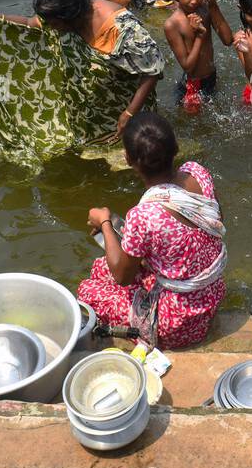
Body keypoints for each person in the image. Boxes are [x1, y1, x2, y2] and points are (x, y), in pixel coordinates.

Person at [80, 112, 227, 349]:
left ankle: (150, 334)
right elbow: (217, 222)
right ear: (176, 148)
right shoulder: (198, 173)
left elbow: (122, 278)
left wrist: (105, 223)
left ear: (128, 159)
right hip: (213, 293)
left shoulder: (143, 215)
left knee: (88, 291)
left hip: (180, 322)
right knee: (100, 267)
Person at [0, 0, 164, 139]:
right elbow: (30, 24)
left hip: (126, 114)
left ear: (70, 15)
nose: (50, 29)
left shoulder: (119, 27)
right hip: (91, 119)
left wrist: (129, 113)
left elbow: (152, 69)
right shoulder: (59, 20)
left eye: (54, 25)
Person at [163, 0, 233, 113]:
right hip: (192, 84)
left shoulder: (206, 8)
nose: (194, 1)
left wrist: (213, 4)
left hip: (211, 76)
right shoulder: (173, 24)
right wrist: (200, 36)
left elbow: (228, 40)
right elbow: (187, 66)